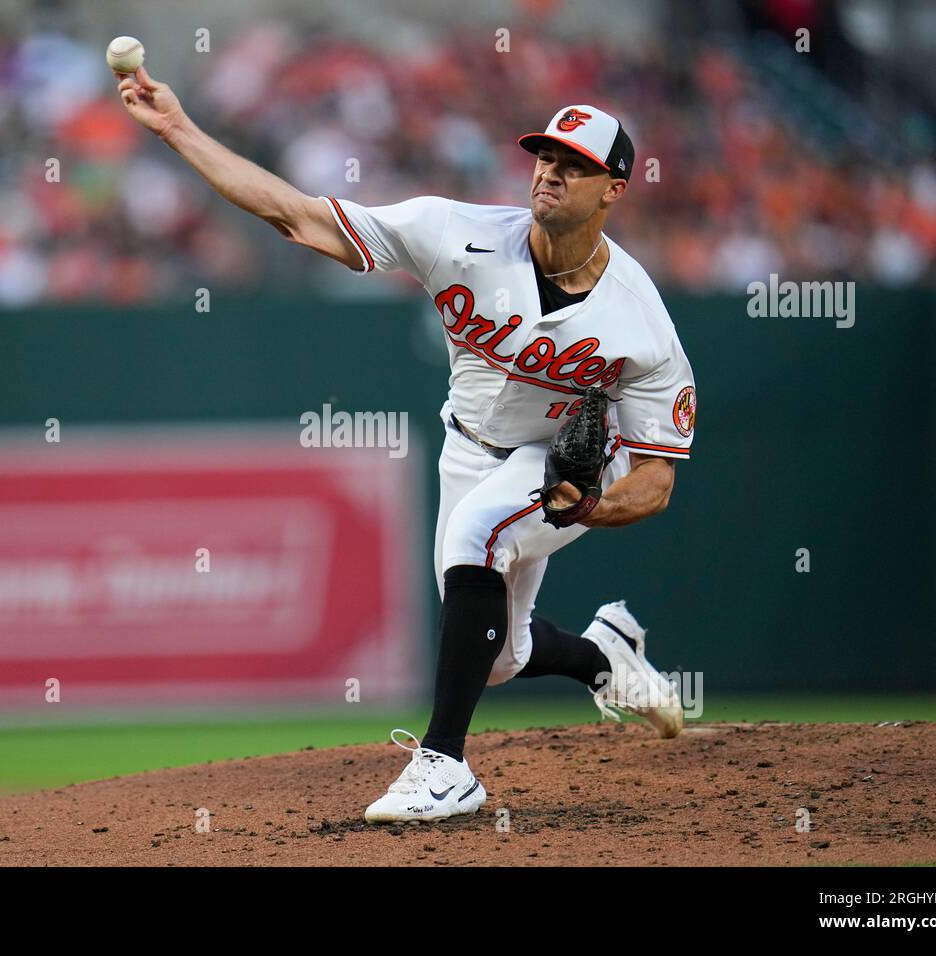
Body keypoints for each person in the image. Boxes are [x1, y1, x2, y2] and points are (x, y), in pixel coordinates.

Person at [115, 68, 695, 824]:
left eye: (575, 164)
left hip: (563, 464)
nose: (551, 172)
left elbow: (657, 479)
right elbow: (299, 217)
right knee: (499, 656)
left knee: (478, 535)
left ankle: (444, 765)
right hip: (469, 448)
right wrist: (177, 130)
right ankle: (605, 656)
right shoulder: (454, 233)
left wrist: (593, 503)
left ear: (615, 187)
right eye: (546, 156)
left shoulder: (640, 321)